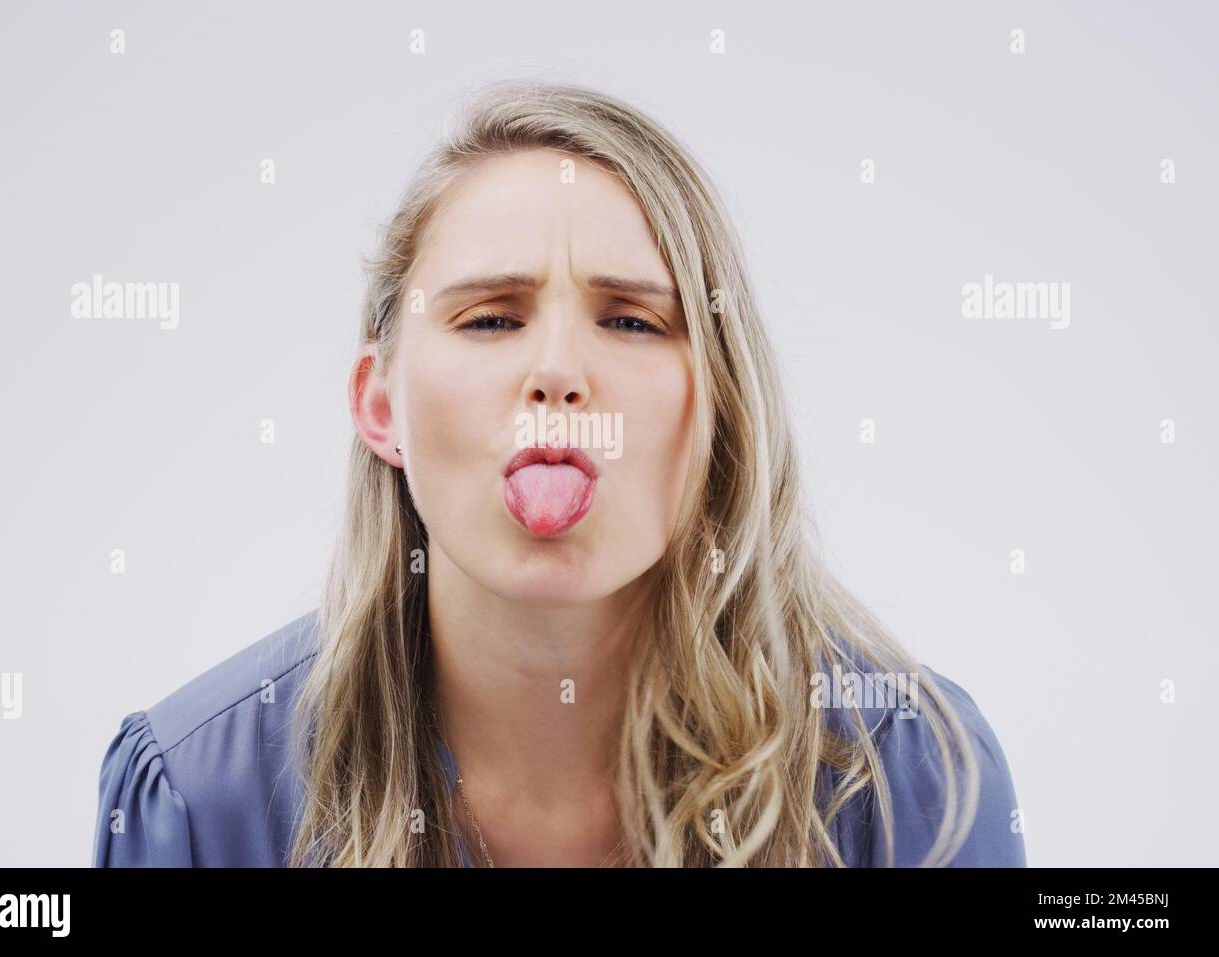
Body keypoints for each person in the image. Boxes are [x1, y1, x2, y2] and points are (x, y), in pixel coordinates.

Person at [92, 79, 1026, 868]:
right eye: (491, 318)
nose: (558, 374)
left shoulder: (910, 778)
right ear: (382, 407)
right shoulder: (196, 798)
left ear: (722, 407)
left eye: (631, 321)